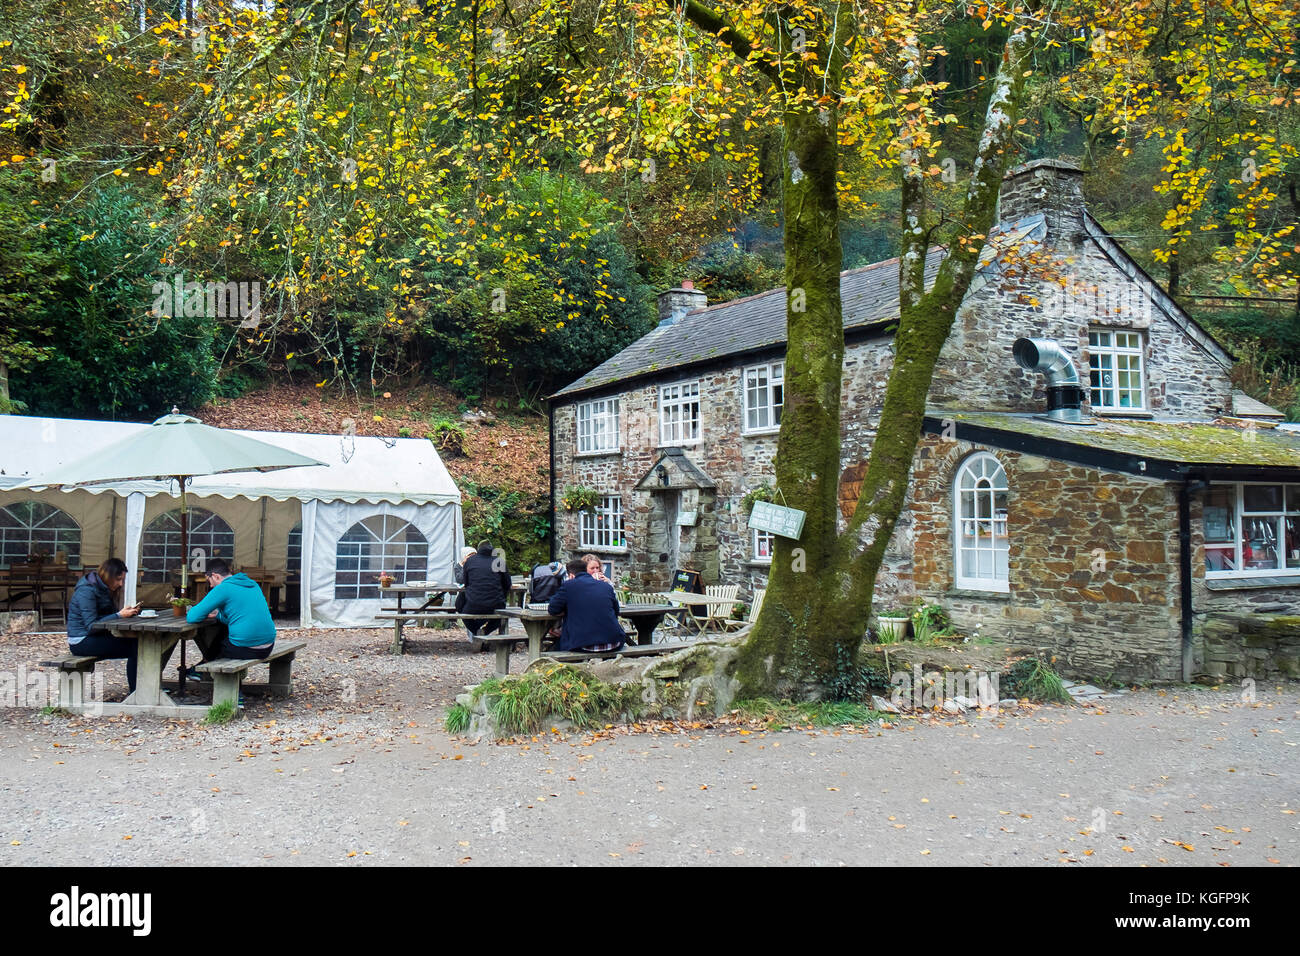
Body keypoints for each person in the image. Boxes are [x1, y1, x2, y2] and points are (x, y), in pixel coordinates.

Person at [66, 558, 165, 694]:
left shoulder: (102, 588)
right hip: (81, 640)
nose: (120, 584)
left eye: (122, 580)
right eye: (118, 579)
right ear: (108, 576)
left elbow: (106, 617)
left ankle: (146, 688)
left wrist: (128, 614)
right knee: (137, 646)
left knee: (142, 642)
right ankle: (137, 692)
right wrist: (119, 615)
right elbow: (91, 626)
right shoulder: (86, 591)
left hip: (95, 636)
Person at [185, 558, 276, 669]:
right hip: (268, 647)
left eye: (209, 581)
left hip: (246, 648)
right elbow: (240, 616)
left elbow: (192, 617)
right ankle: (201, 667)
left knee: (218, 642)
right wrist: (218, 615)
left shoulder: (223, 588)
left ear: (215, 576)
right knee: (225, 630)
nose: (211, 586)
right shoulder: (252, 584)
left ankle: (201, 670)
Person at [547, 558, 626, 653]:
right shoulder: (606, 586)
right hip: (614, 643)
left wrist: (567, 609)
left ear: (571, 576)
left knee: (558, 646)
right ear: (586, 570)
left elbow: (552, 609)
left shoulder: (568, 586)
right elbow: (616, 611)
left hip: (583, 645)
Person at [456, 539, 510, 637]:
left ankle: (477, 632)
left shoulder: (470, 561)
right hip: (496, 603)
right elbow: (507, 584)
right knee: (501, 616)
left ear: (478, 549)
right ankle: (485, 632)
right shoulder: (499, 561)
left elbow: (466, 583)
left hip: (474, 603)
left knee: (463, 613)